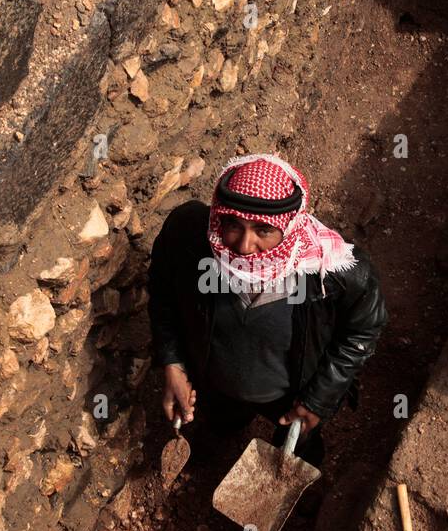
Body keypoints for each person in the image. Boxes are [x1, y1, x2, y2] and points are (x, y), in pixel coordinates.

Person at [147, 152, 388, 469]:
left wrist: (319, 398)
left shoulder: (335, 274)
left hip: (292, 394)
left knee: (296, 449)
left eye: (263, 231)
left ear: (289, 229)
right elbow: (163, 293)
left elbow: (362, 330)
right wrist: (172, 362)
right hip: (214, 381)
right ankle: (223, 432)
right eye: (233, 225)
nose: (244, 246)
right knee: (222, 421)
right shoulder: (189, 237)